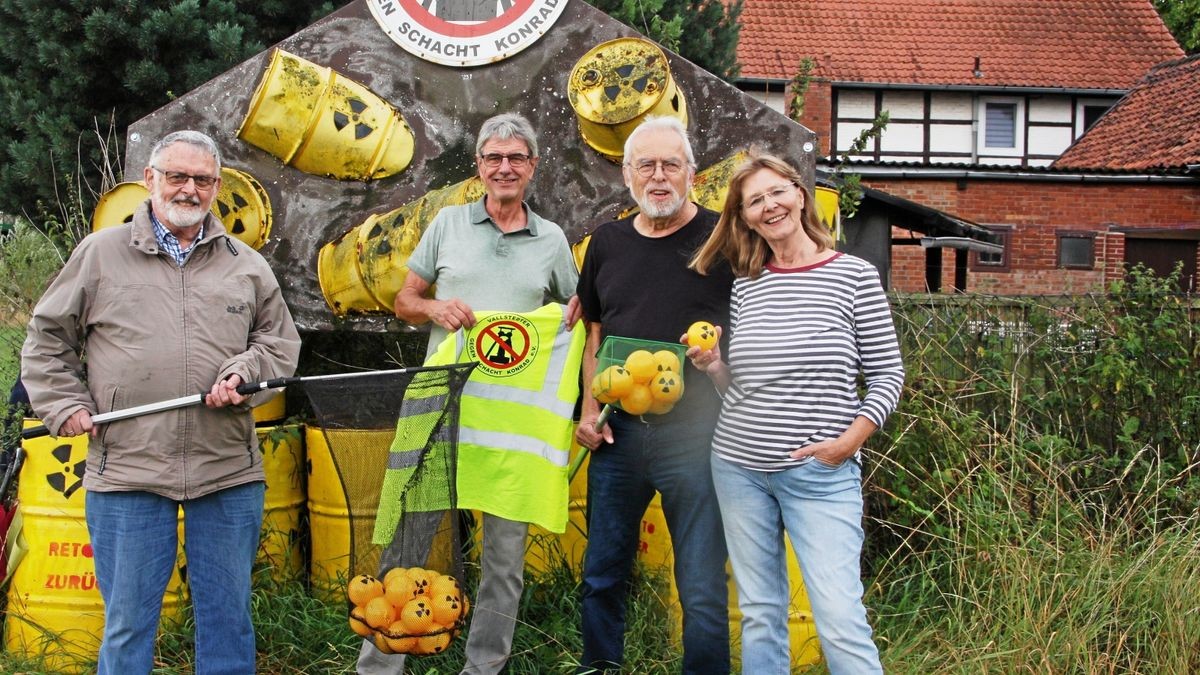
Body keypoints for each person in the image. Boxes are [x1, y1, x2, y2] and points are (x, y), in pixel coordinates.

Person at [21, 129, 301, 674]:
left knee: (228, 621)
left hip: (227, 471)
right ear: (149, 180)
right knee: (128, 624)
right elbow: (47, 339)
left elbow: (279, 344)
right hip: (127, 469)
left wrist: (246, 370)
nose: (189, 189)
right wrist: (63, 403)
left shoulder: (245, 264)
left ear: (217, 187)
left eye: (201, 179)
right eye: (177, 176)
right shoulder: (100, 254)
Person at [358, 112, 579, 675]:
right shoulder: (447, 224)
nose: (504, 167)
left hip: (512, 423)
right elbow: (405, 300)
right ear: (479, 166)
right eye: (493, 158)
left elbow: (576, 320)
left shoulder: (552, 241)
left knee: (504, 557)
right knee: (408, 543)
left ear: (532, 167)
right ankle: (380, 665)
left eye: (516, 158)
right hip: (439, 406)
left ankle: (485, 668)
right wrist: (434, 307)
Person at [687, 152, 905, 674]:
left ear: (799, 194)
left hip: (820, 473)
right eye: (753, 202)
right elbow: (739, 386)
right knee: (760, 612)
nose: (769, 206)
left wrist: (846, 445)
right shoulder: (749, 283)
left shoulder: (853, 276)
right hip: (738, 466)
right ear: (745, 219)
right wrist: (716, 365)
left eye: (776, 192)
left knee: (838, 614)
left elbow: (888, 376)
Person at [574, 116, 734, 674]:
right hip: (618, 438)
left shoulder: (723, 239)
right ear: (627, 174)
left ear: (692, 173)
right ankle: (600, 668)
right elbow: (596, 334)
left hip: (696, 437)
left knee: (701, 582)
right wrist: (590, 413)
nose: (659, 176)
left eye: (672, 164)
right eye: (647, 165)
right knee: (602, 574)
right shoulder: (608, 242)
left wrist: (719, 369)